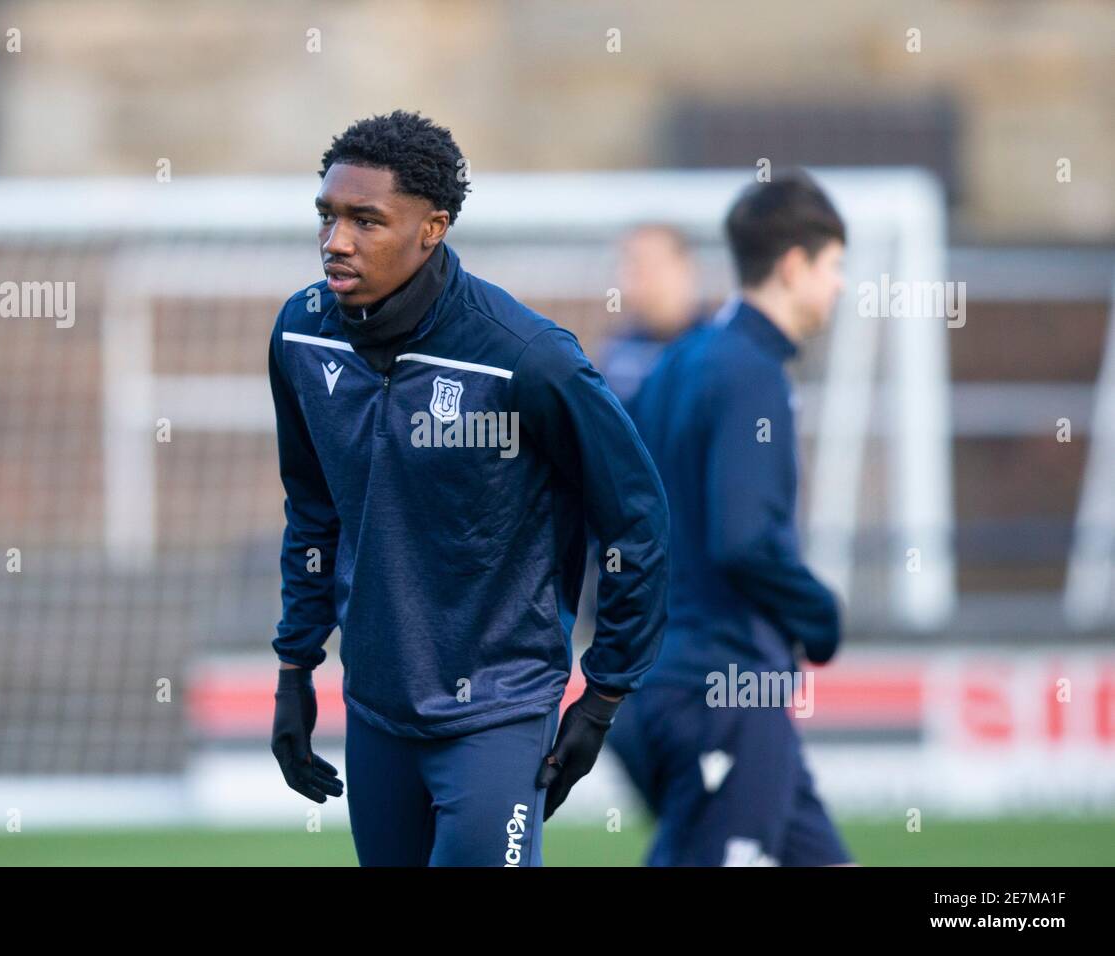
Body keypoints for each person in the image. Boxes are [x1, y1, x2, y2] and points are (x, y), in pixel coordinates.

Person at [266, 110, 669, 866]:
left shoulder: (528, 359)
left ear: (433, 227)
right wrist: (295, 668)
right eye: (327, 216)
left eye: (365, 220)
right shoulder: (300, 333)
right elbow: (312, 512)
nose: (335, 241)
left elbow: (637, 520)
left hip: (498, 711)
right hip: (377, 709)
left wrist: (606, 694)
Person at [607, 170, 851, 866]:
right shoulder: (751, 372)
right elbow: (743, 539)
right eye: (835, 266)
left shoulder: (680, 363)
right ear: (794, 265)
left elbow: (621, 515)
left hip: (666, 679)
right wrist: (819, 613)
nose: (839, 285)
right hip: (725, 685)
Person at [597, 223, 704, 410]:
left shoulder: (716, 348)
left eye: (654, 265)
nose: (643, 279)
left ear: (686, 268)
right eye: (634, 266)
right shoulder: (616, 352)